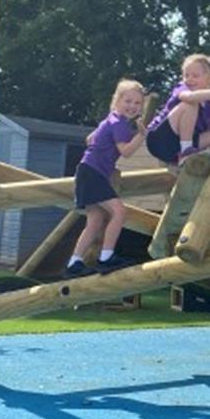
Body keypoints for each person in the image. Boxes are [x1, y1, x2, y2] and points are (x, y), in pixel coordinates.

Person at [65, 79, 149, 277]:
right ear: (117, 101)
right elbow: (126, 152)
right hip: (93, 173)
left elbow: (89, 140)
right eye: (128, 101)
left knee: (95, 220)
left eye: (137, 103)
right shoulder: (119, 123)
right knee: (119, 211)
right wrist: (141, 135)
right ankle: (106, 257)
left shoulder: (111, 120)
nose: (132, 106)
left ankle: (74, 262)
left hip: (87, 171)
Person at [145, 53, 210, 165]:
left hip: (175, 150)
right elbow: (189, 97)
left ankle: (201, 160)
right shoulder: (182, 88)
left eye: (195, 76)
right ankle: (186, 151)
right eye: (186, 75)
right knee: (190, 105)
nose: (189, 79)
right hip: (159, 139)